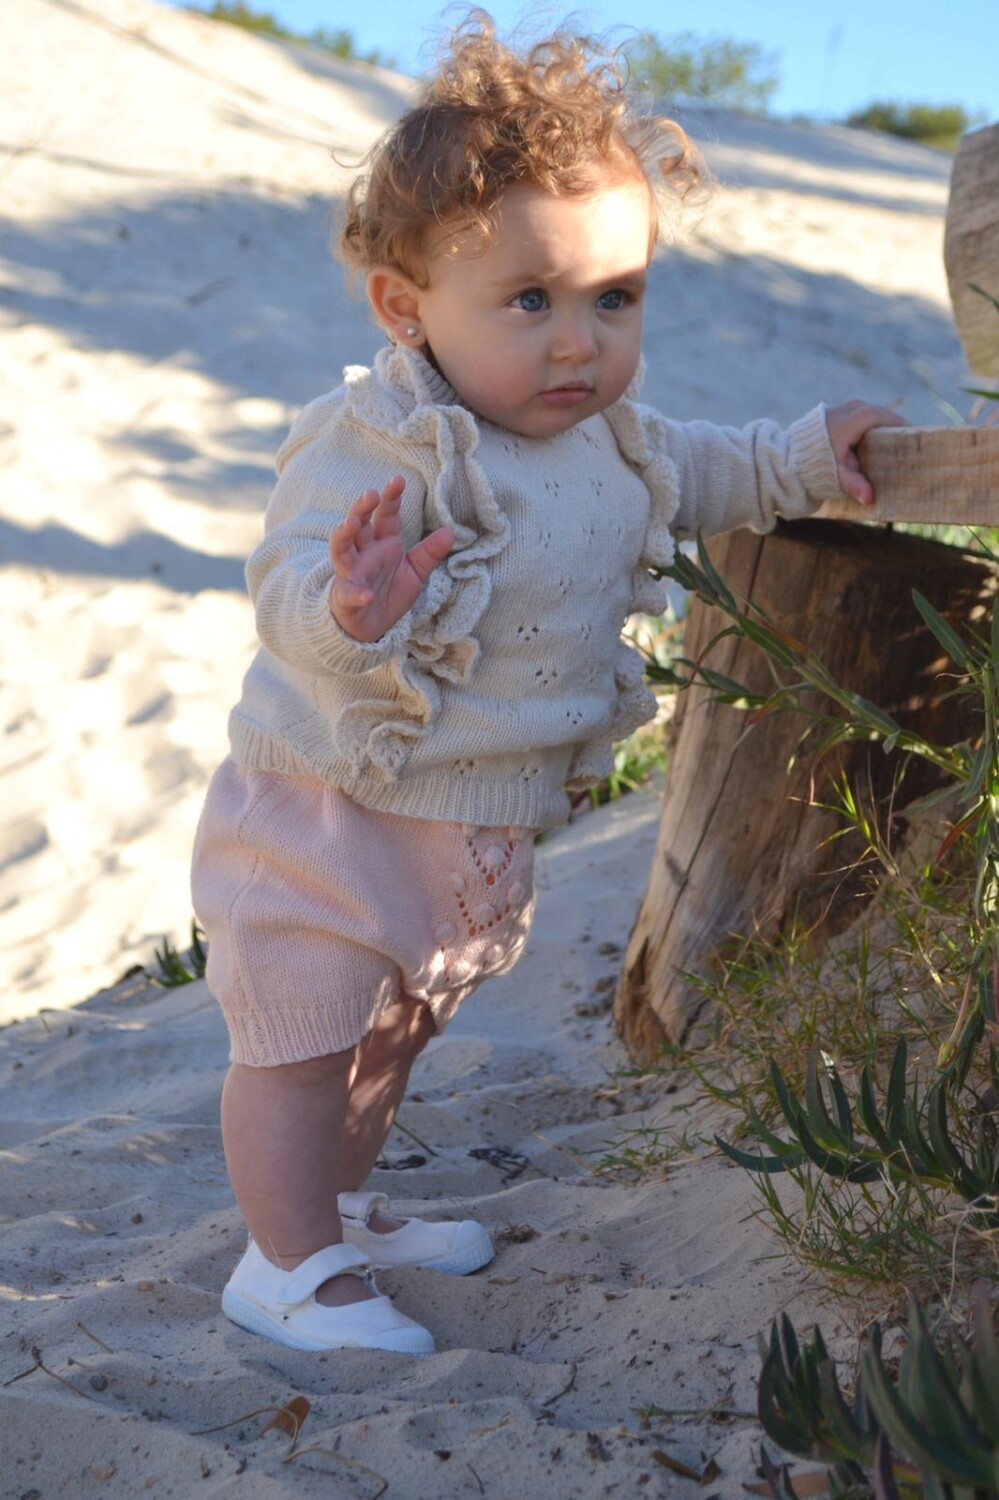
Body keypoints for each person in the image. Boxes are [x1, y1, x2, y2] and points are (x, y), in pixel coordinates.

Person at [191, 12, 904, 1358]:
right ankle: (282, 1266)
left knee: (396, 1030)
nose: (577, 342)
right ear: (408, 308)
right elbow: (288, 588)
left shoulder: (620, 446)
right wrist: (353, 605)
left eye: (613, 297)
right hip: (330, 807)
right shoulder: (382, 439)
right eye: (531, 300)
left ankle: (340, 1203)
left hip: (471, 825)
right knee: (297, 1041)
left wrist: (820, 450)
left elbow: (726, 469)